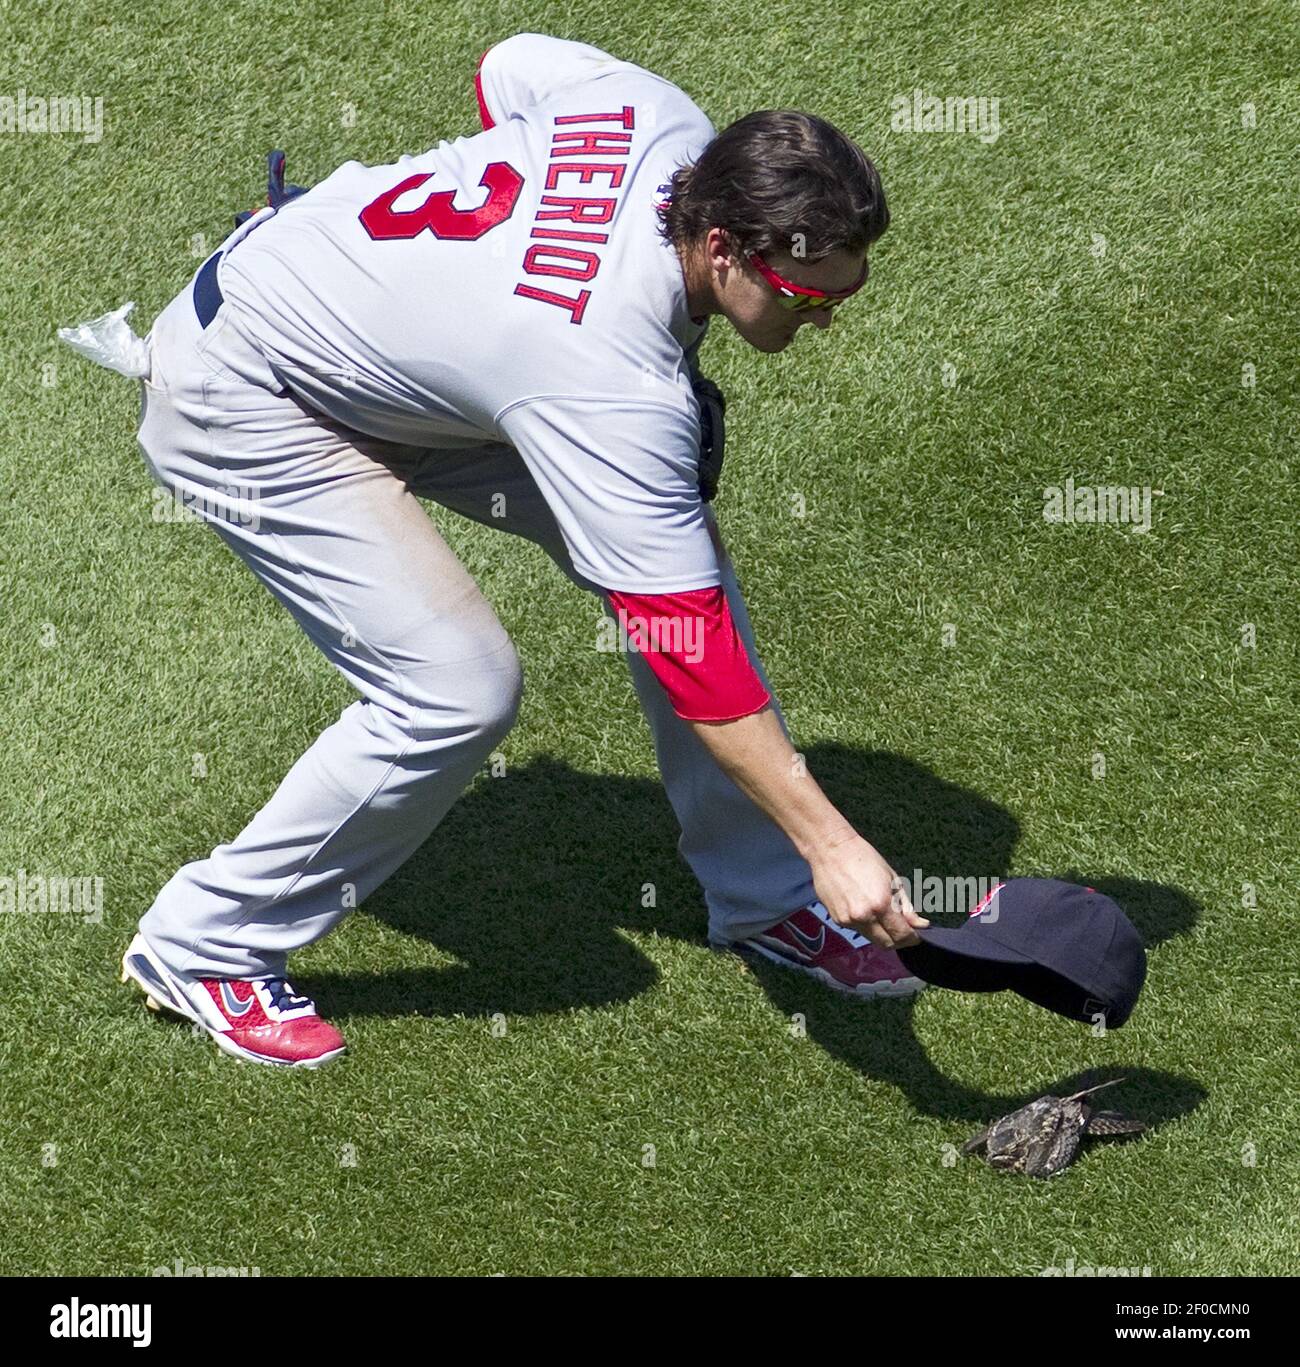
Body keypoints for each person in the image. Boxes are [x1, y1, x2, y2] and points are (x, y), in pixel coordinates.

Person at [119, 32, 929, 1069]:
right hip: (243, 397)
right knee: (458, 686)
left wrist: (433, 282)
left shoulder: (656, 115)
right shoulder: (608, 386)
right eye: (810, 296)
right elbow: (692, 656)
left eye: (845, 293)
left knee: (688, 567)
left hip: (393, 361)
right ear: (721, 248)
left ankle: (762, 900)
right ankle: (206, 942)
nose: (823, 320)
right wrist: (835, 843)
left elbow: (506, 64)